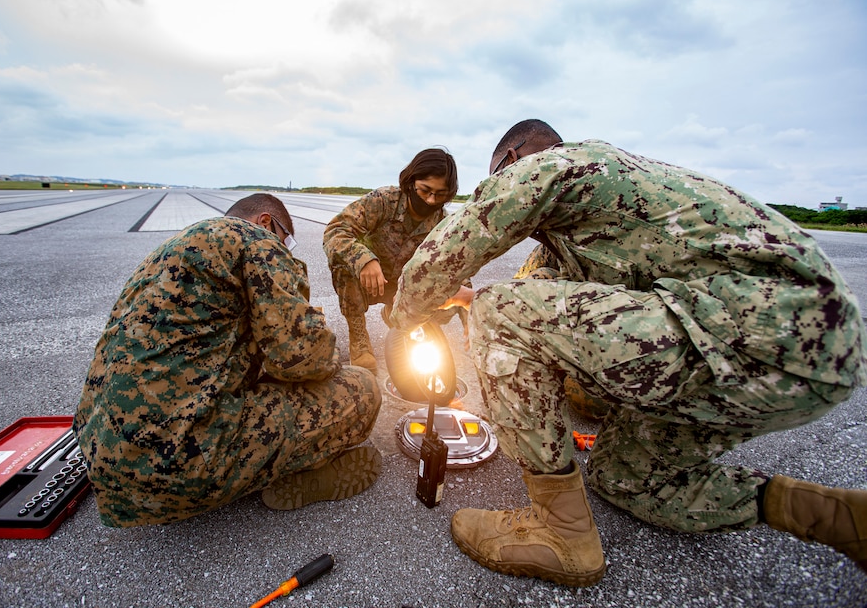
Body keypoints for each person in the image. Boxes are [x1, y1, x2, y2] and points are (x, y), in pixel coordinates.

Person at [390, 119, 867, 586]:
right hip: (812, 360)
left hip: (763, 327)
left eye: (499, 176)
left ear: (513, 160)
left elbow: (446, 257)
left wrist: (404, 320)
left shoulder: (557, 164)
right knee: (623, 476)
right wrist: (470, 302)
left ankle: (562, 535)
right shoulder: (597, 214)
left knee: (500, 313)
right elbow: (555, 298)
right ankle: (833, 515)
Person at [74, 193, 382, 527]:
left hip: (101, 461)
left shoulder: (171, 252)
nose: (283, 247)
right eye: (286, 240)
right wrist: (327, 346)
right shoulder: (256, 240)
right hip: (175, 468)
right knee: (363, 390)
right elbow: (303, 357)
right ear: (267, 222)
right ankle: (297, 470)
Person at [323, 147, 466, 373]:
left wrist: (469, 317)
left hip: (405, 288)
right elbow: (335, 231)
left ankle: (402, 320)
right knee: (343, 264)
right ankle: (359, 340)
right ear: (410, 182)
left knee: (448, 301)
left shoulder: (444, 225)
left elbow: (459, 271)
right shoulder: (383, 201)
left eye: (439, 195)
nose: (430, 200)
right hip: (370, 281)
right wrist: (363, 260)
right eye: (425, 190)